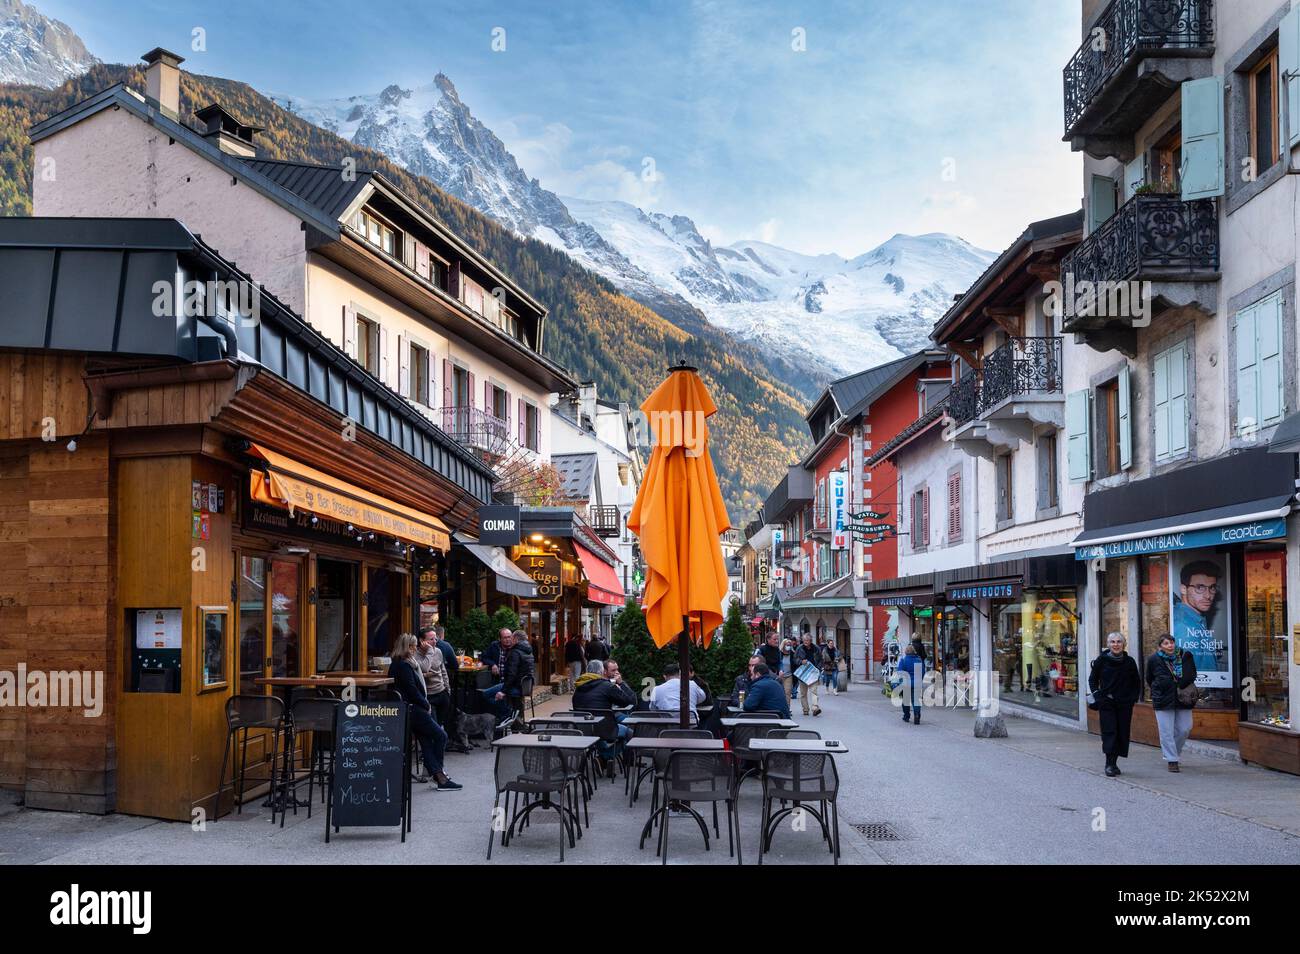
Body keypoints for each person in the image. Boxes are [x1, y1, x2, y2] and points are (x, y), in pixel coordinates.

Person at [389, 633, 461, 791]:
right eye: (413, 645)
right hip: (413, 709)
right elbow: (411, 690)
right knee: (441, 736)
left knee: (427, 742)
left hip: (410, 708)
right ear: (406, 647)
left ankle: (439, 778)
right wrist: (425, 704)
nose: (415, 648)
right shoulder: (403, 665)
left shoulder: (404, 663)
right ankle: (439, 773)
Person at [1088, 631, 1141, 777]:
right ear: (1108, 644)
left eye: (1119, 642)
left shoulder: (1129, 661)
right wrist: (1098, 696)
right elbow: (1092, 679)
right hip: (1107, 702)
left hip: (1124, 703)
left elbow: (1136, 682)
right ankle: (1109, 764)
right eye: (1113, 642)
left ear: (1123, 644)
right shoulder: (1102, 660)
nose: (1116, 644)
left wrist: (1133, 698)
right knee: (1110, 732)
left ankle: (1115, 762)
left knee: (1122, 732)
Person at [1147, 633, 1197, 772]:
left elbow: (1192, 674)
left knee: (1185, 728)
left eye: (1171, 642)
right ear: (1160, 646)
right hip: (1163, 698)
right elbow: (1149, 678)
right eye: (1166, 643)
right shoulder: (1154, 659)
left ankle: (1174, 752)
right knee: (1166, 732)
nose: (1170, 646)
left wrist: (1179, 683)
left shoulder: (1186, 655)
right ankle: (1172, 759)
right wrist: (1161, 688)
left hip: (1183, 697)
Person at [1172, 560, 1223, 676]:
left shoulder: (1195, 619)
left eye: (1212, 587)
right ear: (1183, 589)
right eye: (1200, 587)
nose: (1208, 595)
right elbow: (1186, 677)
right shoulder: (1183, 625)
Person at [482, 629, 535, 724]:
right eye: (505, 637)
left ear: (515, 638)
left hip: (513, 686)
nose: (508, 640)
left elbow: (512, 675)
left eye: (510, 637)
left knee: (485, 694)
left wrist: (503, 691)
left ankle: (508, 714)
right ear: (500, 639)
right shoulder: (527, 650)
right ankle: (509, 716)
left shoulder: (515, 651)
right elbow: (484, 657)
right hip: (520, 686)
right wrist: (493, 664)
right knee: (492, 694)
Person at [572, 658, 637, 711]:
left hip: (582, 724)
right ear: (603, 671)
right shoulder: (607, 686)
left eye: (617, 670)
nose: (617, 672)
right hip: (605, 724)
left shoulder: (579, 686)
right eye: (613, 670)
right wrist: (621, 685)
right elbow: (631, 702)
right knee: (631, 724)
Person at [794, 632, 823, 717]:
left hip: (813, 672)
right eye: (804, 640)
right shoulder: (799, 648)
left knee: (814, 691)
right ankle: (805, 709)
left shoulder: (816, 648)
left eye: (807, 640)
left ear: (811, 640)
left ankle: (815, 708)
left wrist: (818, 669)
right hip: (803, 673)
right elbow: (795, 659)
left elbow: (821, 659)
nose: (805, 642)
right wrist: (801, 661)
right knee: (803, 693)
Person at [896, 641, 925, 724]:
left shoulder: (903, 660)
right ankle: (917, 715)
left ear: (906, 651)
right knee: (916, 701)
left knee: (905, 700)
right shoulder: (919, 660)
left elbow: (900, 673)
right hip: (917, 684)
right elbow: (922, 672)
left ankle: (906, 716)